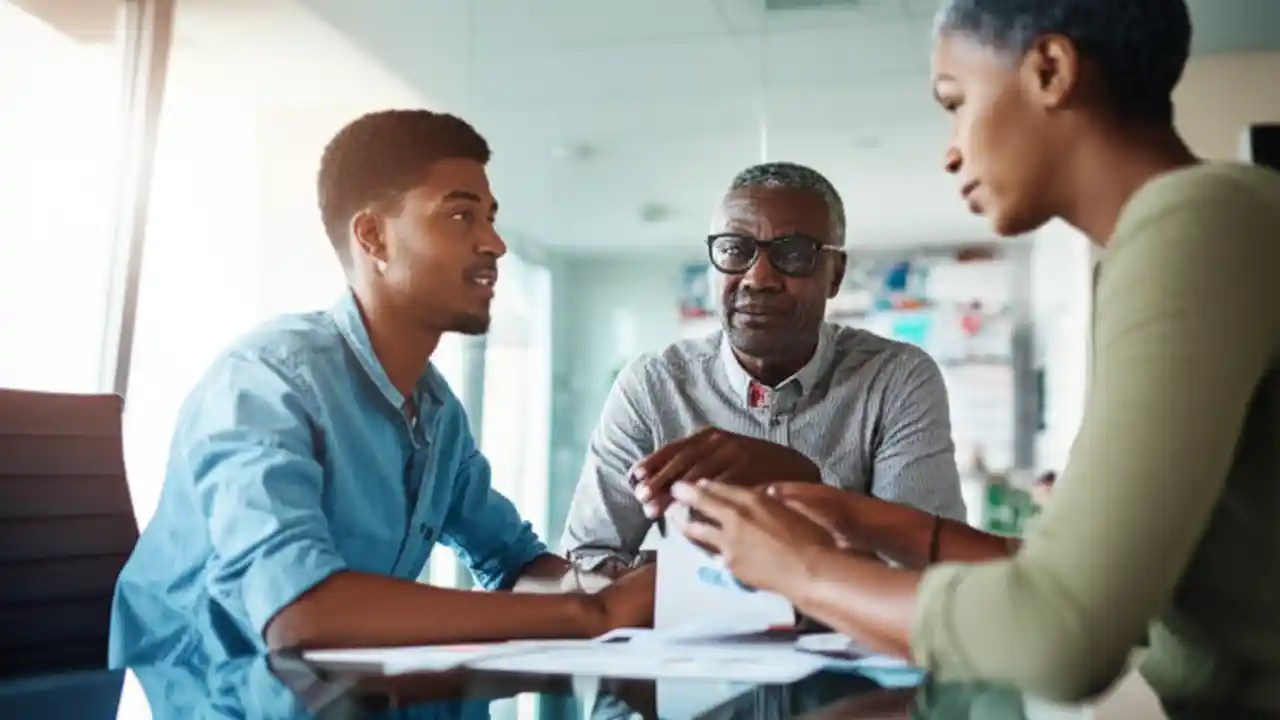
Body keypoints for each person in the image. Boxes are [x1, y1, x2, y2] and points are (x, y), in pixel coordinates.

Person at [669, 0, 1280, 710]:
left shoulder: (1197, 226)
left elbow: (1059, 632)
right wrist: (860, 518)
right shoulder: (1186, 233)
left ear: (1050, 71)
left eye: (955, 103)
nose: (951, 150)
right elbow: (1080, 575)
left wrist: (797, 568)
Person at [109, 110, 653, 667]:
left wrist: (618, 588)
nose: (494, 243)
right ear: (373, 235)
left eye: (490, 218)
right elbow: (302, 613)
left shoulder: (436, 410)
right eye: (461, 215)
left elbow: (514, 564)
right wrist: (588, 615)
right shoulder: (264, 382)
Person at [561, 162, 966, 577]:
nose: (758, 278)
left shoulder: (895, 378)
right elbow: (586, 562)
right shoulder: (653, 387)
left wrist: (808, 485)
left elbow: (929, 571)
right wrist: (683, 578)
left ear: (835, 276)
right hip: (693, 640)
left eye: (793, 254)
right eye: (735, 250)